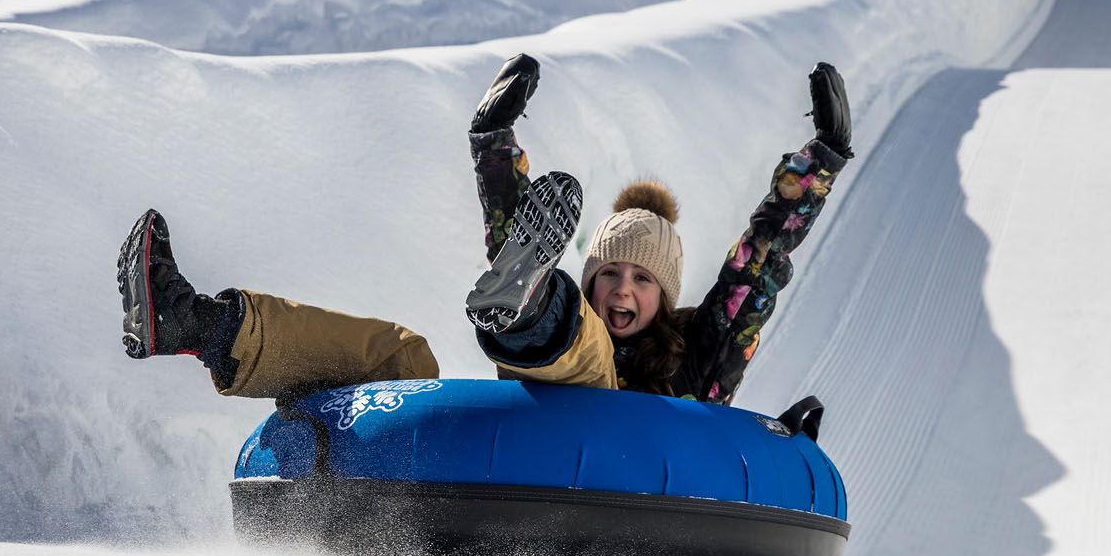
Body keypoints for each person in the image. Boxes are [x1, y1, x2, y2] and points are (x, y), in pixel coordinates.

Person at [115, 55, 854, 411]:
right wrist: (491, 141)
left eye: (640, 279)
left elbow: (758, 264)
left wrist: (817, 162)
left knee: (588, 350)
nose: (622, 287)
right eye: (609, 272)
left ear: (665, 294)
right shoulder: (592, 304)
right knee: (400, 354)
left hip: (633, 457)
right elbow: (512, 234)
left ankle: (529, 306)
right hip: (530, 446)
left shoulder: (702, 351)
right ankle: (199, 325)